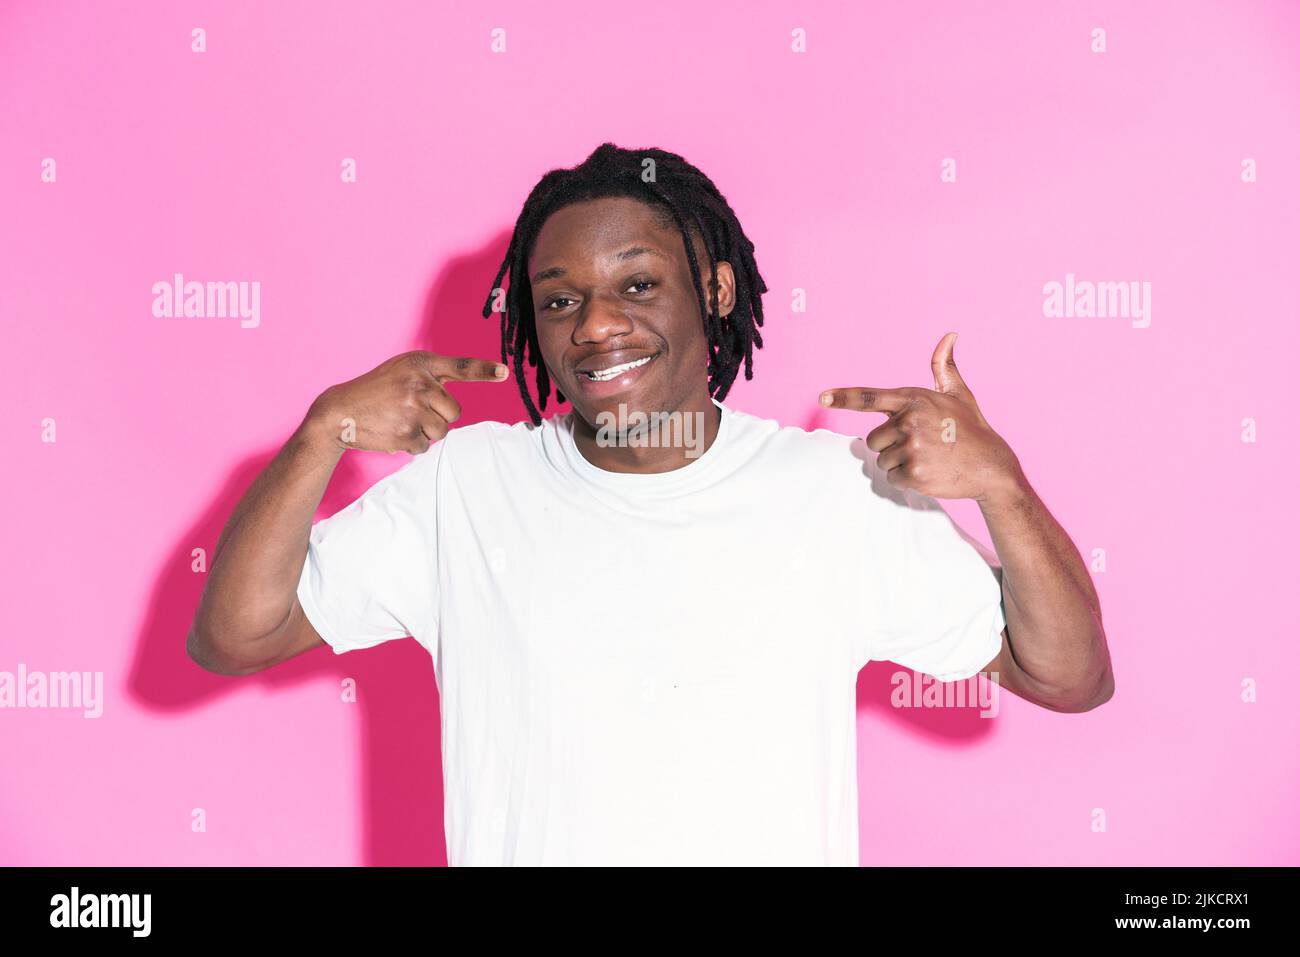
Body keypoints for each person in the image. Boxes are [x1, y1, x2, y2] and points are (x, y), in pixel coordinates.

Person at [187, 142, 1114, 866]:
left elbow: (1067, 674)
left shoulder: (836, 492)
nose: (595, 325)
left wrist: (1003, 487)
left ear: (712, 291)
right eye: (559, 300)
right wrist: (320, 438)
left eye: (637, 284)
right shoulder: (463, 488)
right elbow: (236, 634)